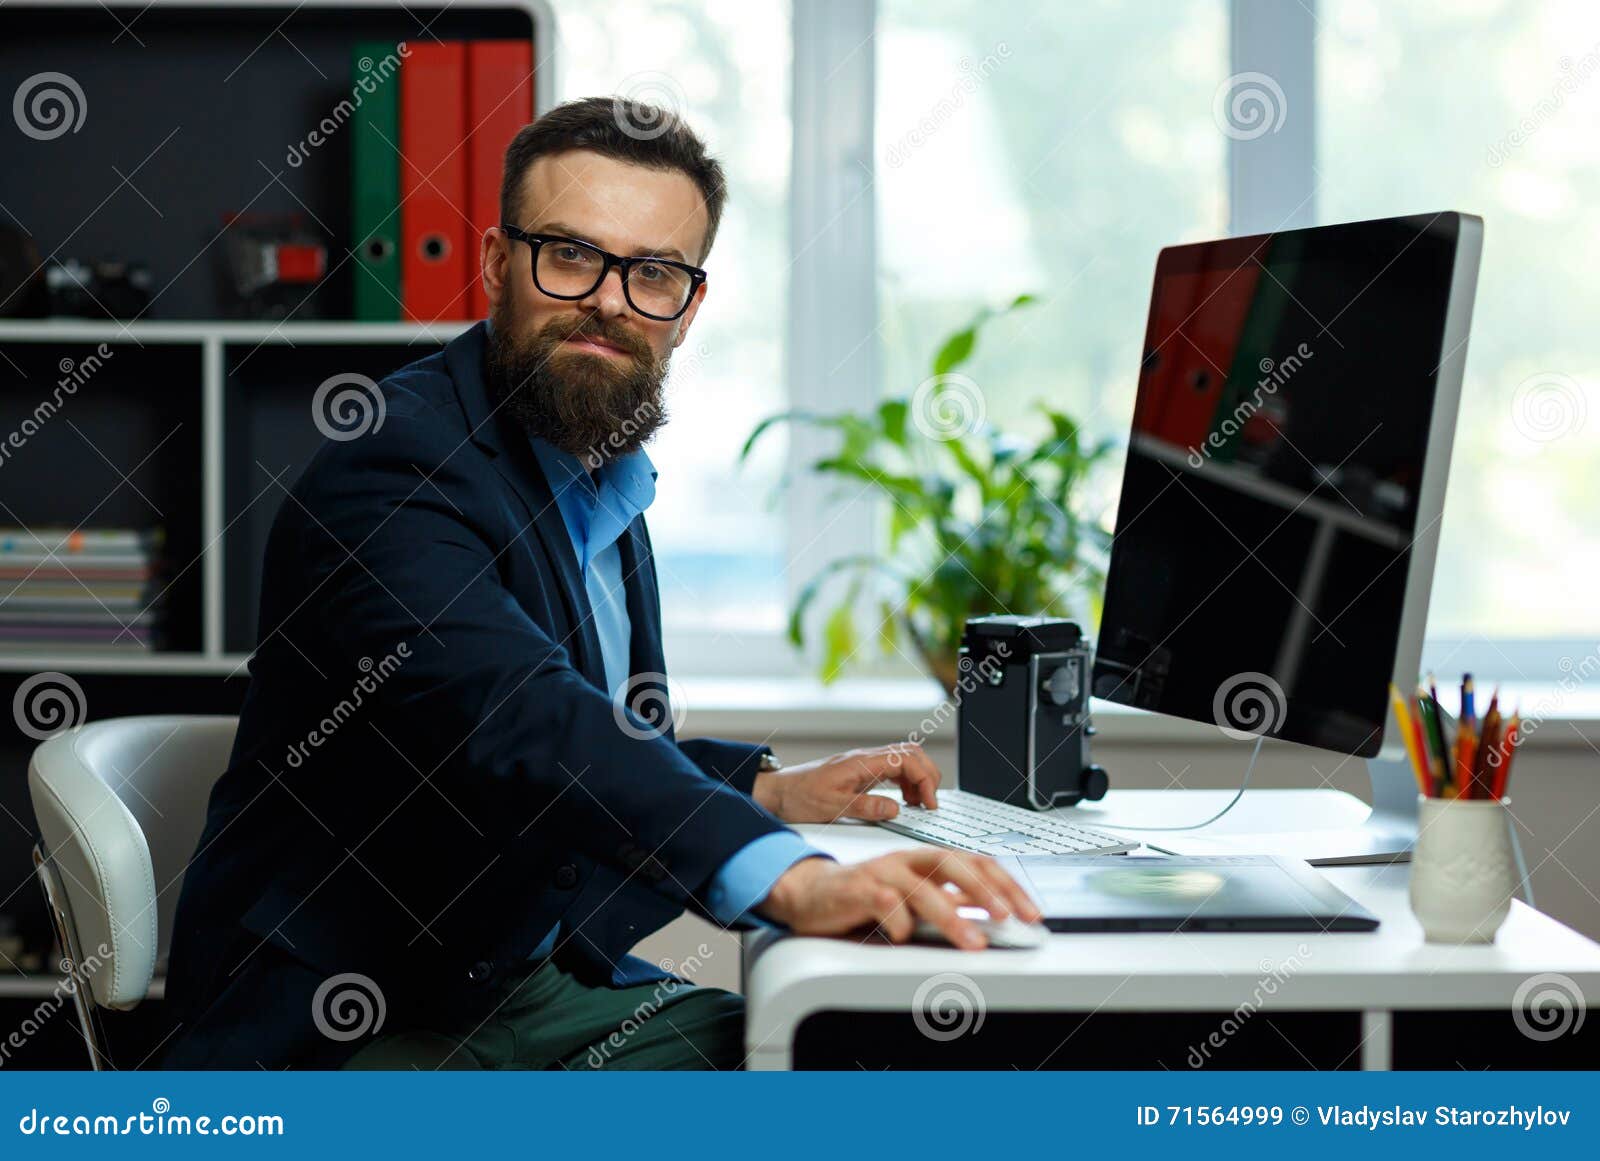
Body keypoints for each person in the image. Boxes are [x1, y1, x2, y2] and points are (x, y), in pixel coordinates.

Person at [162, 96, 1038, 1071]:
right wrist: (780, 873)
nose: (610, 302)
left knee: (857, 1047)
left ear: (689, 304)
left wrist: (769, 792)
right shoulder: (391, 465)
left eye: (653, 272)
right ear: (498, 262)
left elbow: (576, 740)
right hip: (348, 1031)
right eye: (571, 256)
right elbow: (511, 716)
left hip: (524, 992)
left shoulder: (596, 471)